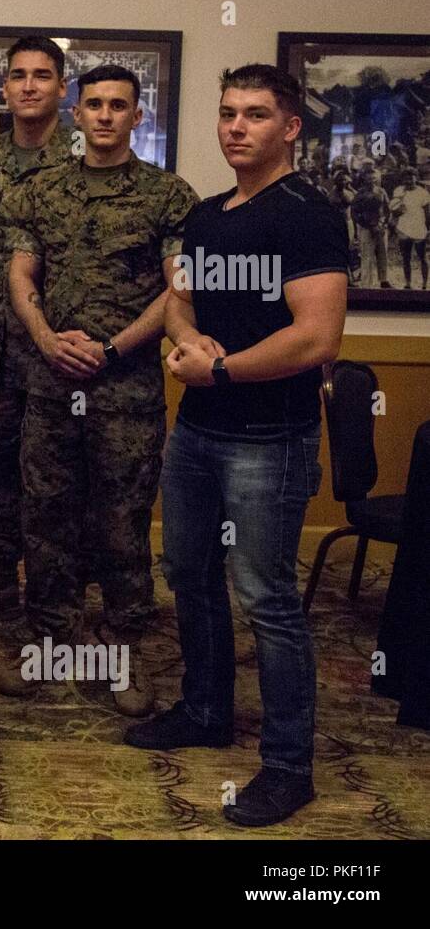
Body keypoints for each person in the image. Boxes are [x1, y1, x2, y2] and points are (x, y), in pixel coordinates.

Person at [125, 64, 347, 827]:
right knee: (187, 572)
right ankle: (206, 710)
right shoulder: (210, 213)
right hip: (197, 433)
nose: (235, 127)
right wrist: (189, 345)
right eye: (227, 113)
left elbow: (318, 336)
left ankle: (289, 766)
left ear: (290, 127)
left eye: (255, 114)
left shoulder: (307, 213)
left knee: (267, 599)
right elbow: (179, 305)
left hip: (269, 439)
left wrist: (216, 369)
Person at [3, 64, 198, 715]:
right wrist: (44, 334)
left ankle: (122, 651)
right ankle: (52, 643)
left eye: (119, 105)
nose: (106, 115)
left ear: (137, 117)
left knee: (120, 525)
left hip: (127, 392)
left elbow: (179, 289)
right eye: (95, 105)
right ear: (76, 114)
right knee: (47, 519)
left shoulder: (169, 196)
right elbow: (22, 269)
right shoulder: (40, 189)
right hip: (52, 383)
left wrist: (114, 347)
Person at [0, 35, 75, 631]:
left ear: (63, 88)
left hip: (60, 348)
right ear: (4, 89)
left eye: (42, 75)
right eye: (18, 76)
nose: (29, 86)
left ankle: (53, 598)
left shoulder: (89, 154)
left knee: (56, 481)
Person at [390, 169, 430, 289]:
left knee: (422, 257)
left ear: (416, 178)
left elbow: (428, 213)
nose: (409, 181)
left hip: (419, 228)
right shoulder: (398, 191)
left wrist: (428, 229)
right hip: (404, 227)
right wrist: (398, 208)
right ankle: (408, 283)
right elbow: (394, 211)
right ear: (403, 180)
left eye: (411, 178)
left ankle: (424, 283)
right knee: (406, 257)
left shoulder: (423, 192)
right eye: (406, 178)